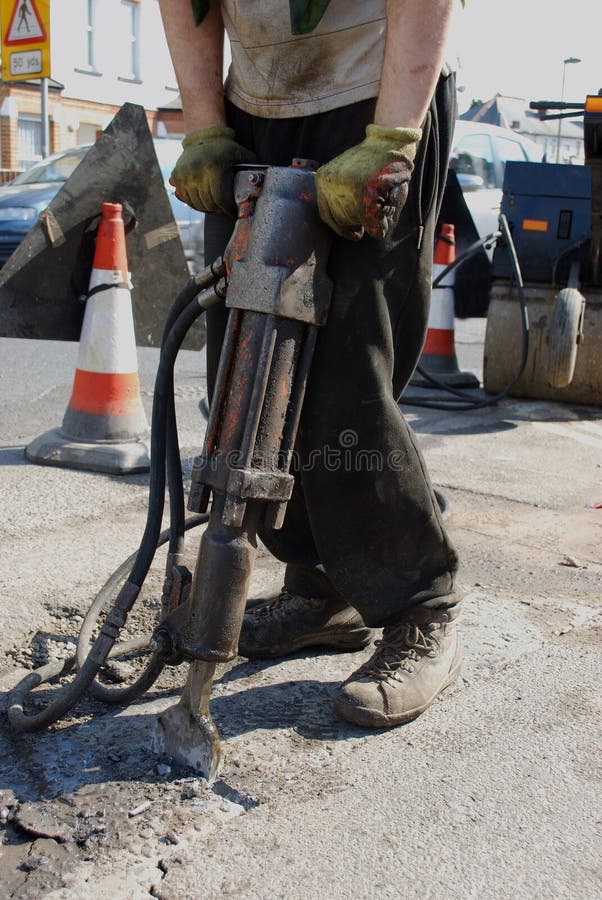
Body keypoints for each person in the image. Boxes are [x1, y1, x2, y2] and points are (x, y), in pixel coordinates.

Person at [158, 0, 463, 729]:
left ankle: (421, 605)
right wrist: (205, 126)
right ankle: (324, 586)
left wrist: (391, 137)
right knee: (249, 376)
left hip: (378, 88)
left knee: (339, 382)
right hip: (255, 103)